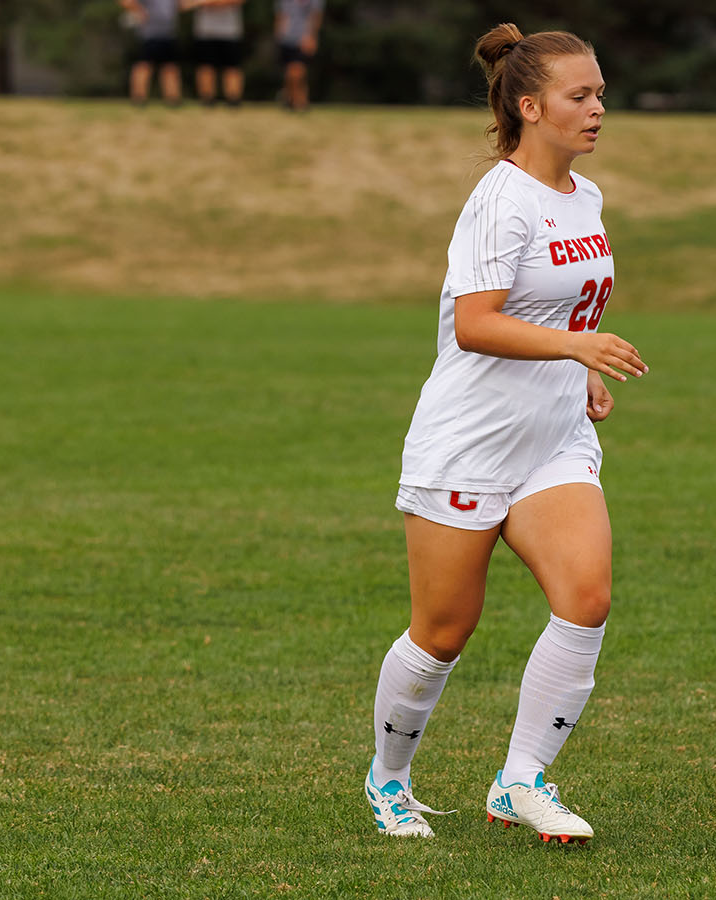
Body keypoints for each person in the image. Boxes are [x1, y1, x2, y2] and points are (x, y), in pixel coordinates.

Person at [365, 24, 646, 844]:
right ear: (530, 107)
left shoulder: (582, 196)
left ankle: (520, 780)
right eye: (580, 96)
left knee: (586, 598)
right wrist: (573, 346)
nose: (598, 108)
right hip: (470, 443)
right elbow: (478, 323)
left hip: (552, 440)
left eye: (599, 93)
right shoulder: (498, 199)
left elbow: (557, 307)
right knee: (443, 631)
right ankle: (389, 781)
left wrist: (580, 367)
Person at [184, 0, 246, 106]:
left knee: (232, 67)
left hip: (230, 32)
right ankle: (207, 100)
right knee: (205, 66)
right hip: (205, 32)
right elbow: (185, 4)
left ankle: (233, 100)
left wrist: (205, 2)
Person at [121, 0, 182, 106]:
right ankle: (139, 98)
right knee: (144, 65)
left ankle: (173, 99)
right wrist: (139, 11)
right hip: (150, 34)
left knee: (169, 66)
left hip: (169, 34)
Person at [274, 0, 323, 111]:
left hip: (303, 39)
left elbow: (316, 16)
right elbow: (280, 15)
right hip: (286, 39)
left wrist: (312, 37)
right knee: (290, 72)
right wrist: (278, 34)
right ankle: (291, 99)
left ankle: (299, 101)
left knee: (297, 70)